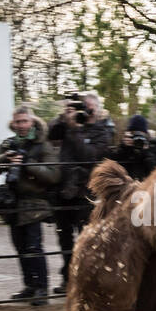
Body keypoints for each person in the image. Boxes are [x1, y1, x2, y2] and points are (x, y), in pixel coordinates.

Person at [47, 90, 113, 294]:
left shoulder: (101, 131)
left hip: (86, 193)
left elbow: (90, 156)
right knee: (64, 239)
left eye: (89, 108)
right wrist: (64, 117)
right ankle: (68, 280)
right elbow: (50, 135)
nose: (86, 111)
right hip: (63, 191)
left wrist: (75, 130)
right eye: (82, 107)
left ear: (97, 110)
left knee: (87, 240)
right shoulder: (67, 125)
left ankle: (87, 283)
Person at [0, 106, 59, 305]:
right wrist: (5, 158)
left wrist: (28, 164)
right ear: (13, 123)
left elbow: (54, 174)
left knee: (33, 246)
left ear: (32, 121)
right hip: (13, 202)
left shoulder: (42, 145)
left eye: (24, 121)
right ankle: (30, 286)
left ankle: (41, 288)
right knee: (20, 246)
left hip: (35, 202)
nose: (21, 125)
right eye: (17, 122)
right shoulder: (9, 143)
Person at [110, 114, 156, 180]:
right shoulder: (127, 147)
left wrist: (146, 152)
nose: (138, 138)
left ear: (146, 134)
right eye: (134, 134)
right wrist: (124, 147)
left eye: (140, 134)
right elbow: (113, 165)